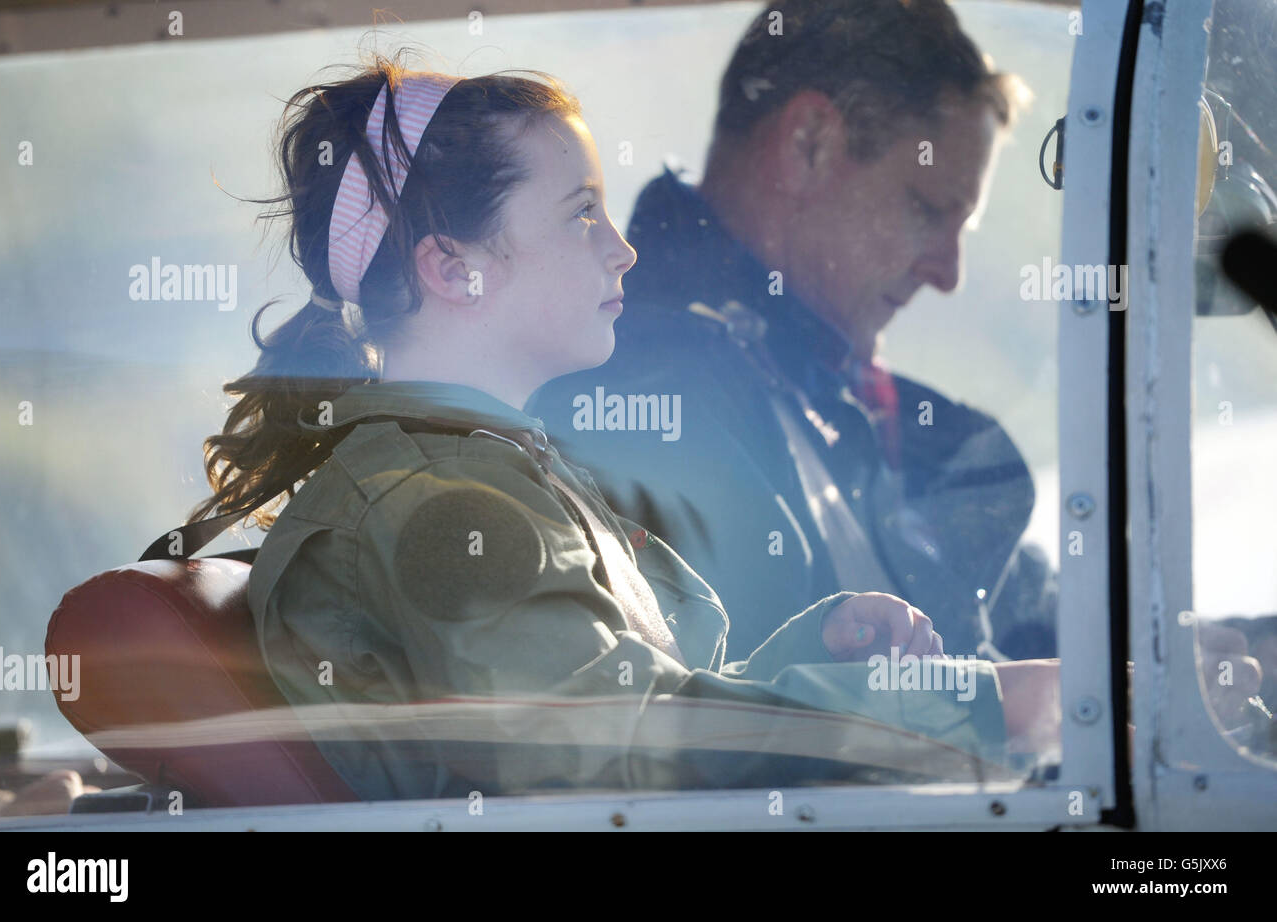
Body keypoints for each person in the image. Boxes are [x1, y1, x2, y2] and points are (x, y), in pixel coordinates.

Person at [188, 56, 1060, 802]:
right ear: (455, 270)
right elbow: (612, 751)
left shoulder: (490, 472)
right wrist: (984, 708)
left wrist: (810, 647)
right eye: (579, 214)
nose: (622, 248)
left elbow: (632, 703)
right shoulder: (439, 505)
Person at [529, 0, 1058, 663]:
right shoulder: (643, 388)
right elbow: (773, 717)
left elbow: (1015, 609)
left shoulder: (833, 389)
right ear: (808, 144)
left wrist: (1156, 661)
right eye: (925, 208)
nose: (948, 272)